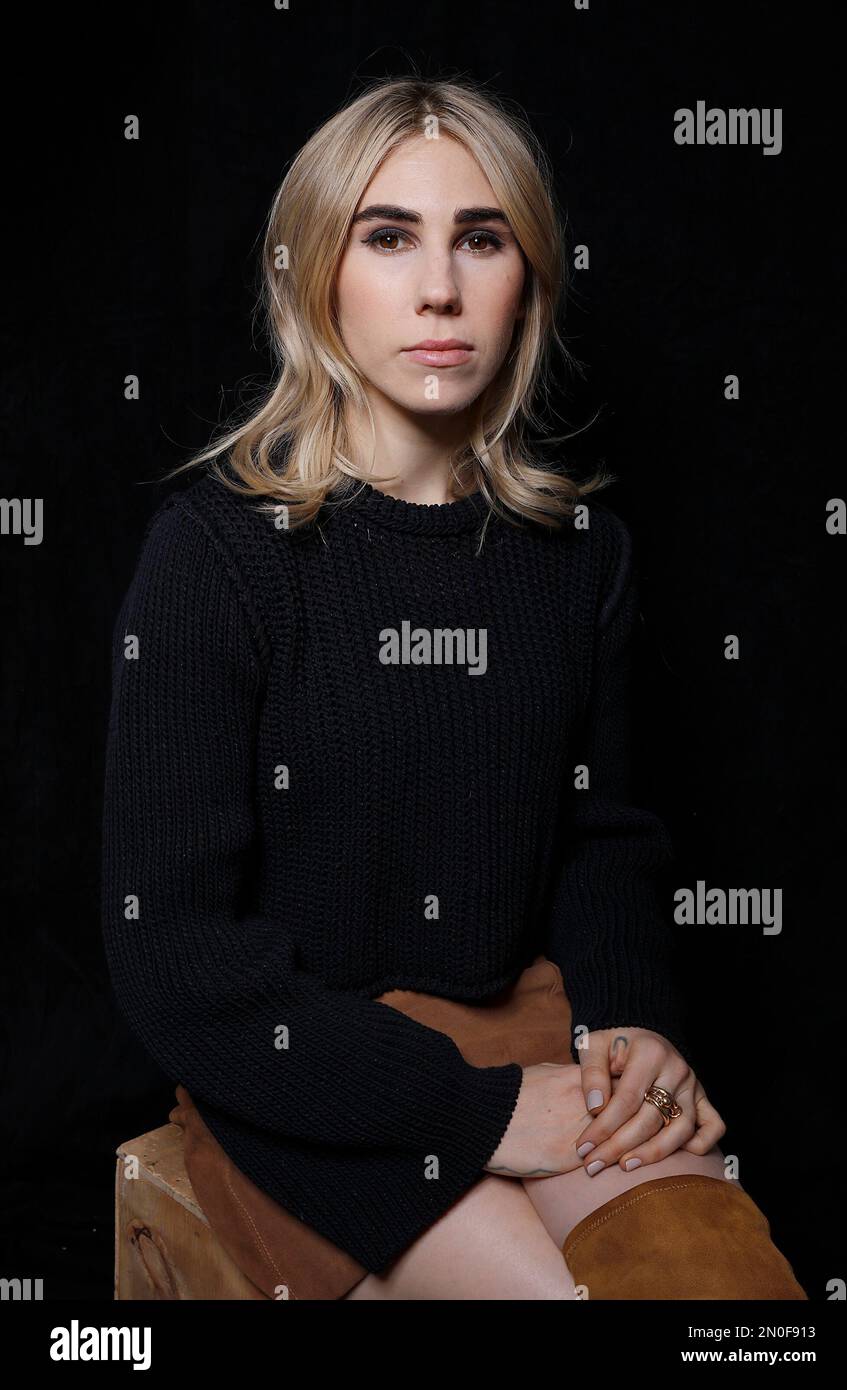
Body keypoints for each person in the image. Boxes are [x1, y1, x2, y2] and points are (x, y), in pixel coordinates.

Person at [101, 74, 807, 1301]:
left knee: (728, 1307)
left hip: (530, 1028)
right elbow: (179, 959)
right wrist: (477, 1113)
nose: (439, 288)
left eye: (479, 238)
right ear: (315, 271)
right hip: (302, 1066)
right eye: (389, 237)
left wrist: (632, 1021)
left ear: (528, 273)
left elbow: (599, 838)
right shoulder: (218, 558)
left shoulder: (580, 556)